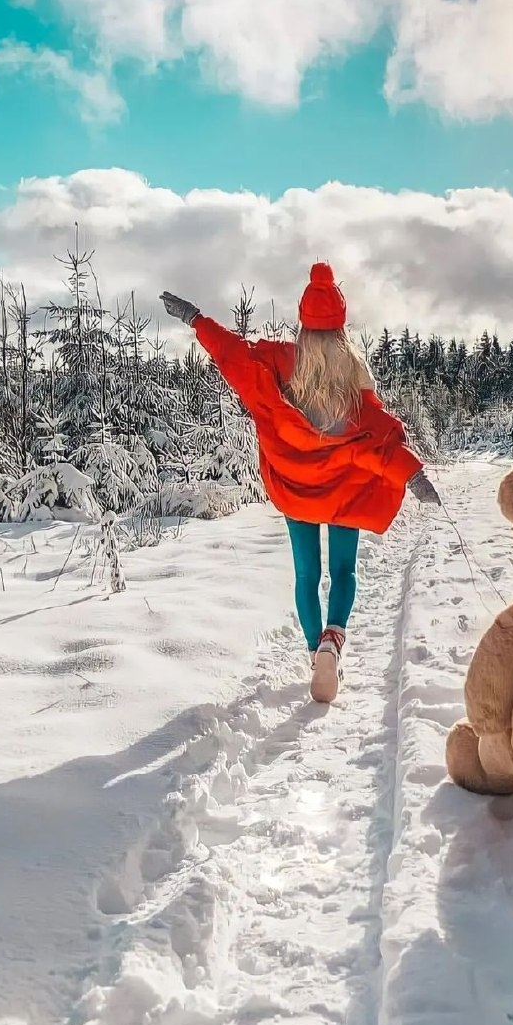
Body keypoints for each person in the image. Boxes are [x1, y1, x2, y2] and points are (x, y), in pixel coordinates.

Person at [160, 263, 440, 703]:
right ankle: (334, 641)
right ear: (341, 325)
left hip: (296, 492)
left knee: (307, 575)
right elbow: (378, 436)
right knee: (343, 571)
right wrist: (413, 473)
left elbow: (233, 353)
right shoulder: (353, 376)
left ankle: (315, 653)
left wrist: (196, 319)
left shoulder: (278, 361)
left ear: (304, 322)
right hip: (344, 494)